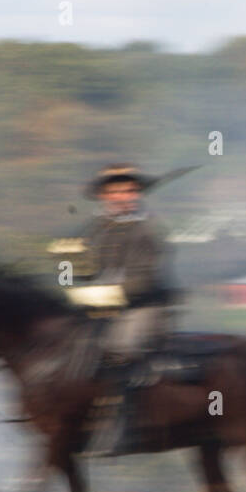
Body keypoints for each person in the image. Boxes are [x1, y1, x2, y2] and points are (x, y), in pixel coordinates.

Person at [78, 165, 175, 454]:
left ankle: (123, 424)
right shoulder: (94, 230)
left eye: (129, 190)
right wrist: (72, 263)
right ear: (104, 196)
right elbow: (86, 270)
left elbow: (144, 280)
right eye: (116, 191)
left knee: (117, 350)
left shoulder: (147, 230)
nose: (123, 196)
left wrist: (106, 295)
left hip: (144, 308)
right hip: (98, 307)